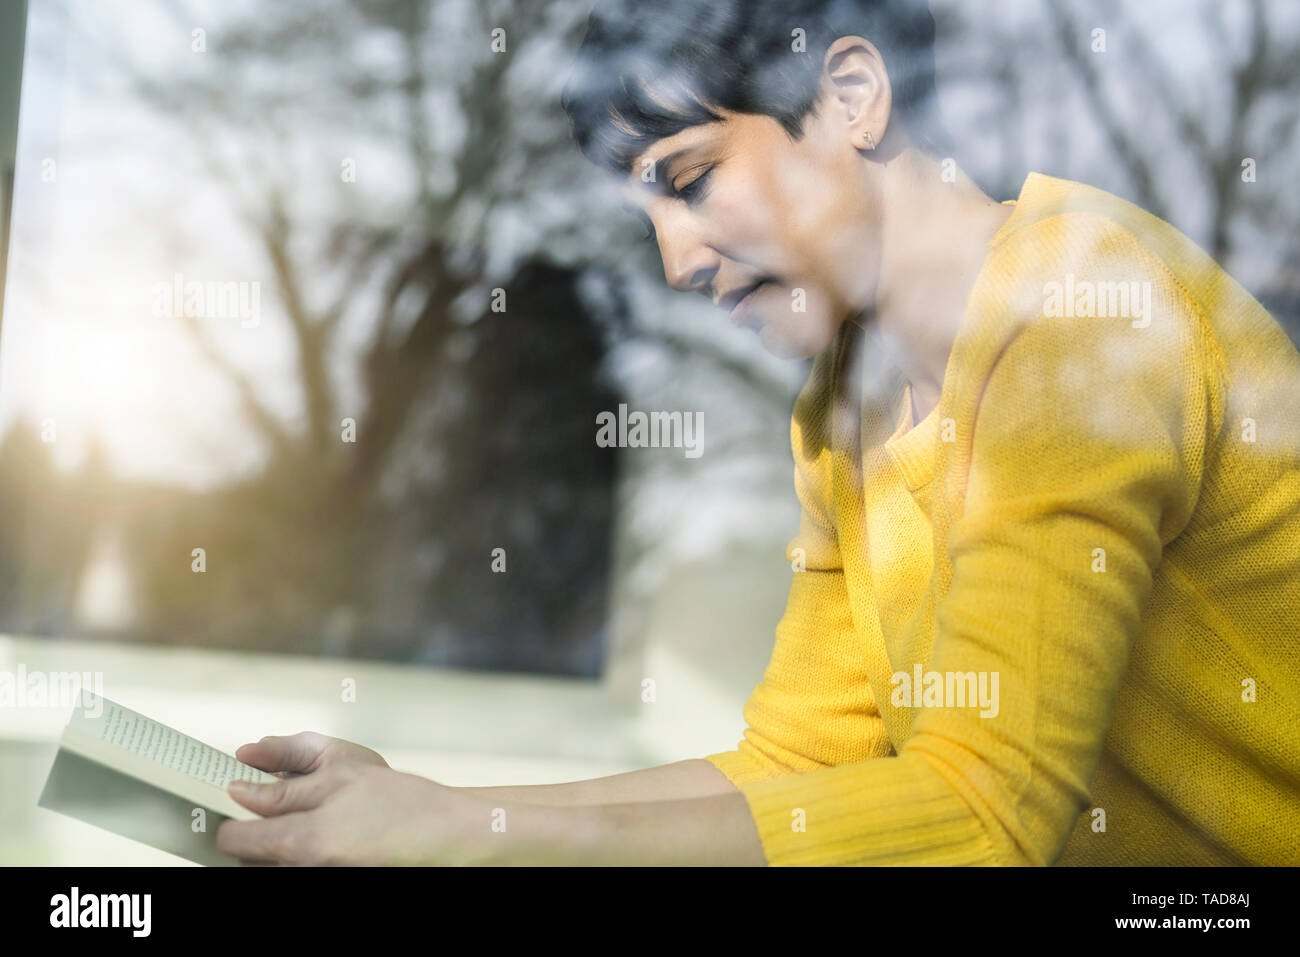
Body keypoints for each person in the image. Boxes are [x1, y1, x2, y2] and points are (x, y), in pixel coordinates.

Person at [217, 0, 1300, 865]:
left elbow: (983, 817)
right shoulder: (845, 411)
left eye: (689, 181)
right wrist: (429, 812)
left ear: (853, 94)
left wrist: (457, 844)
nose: (676, 263)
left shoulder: (1076, 311)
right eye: (649, 215)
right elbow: (799, 763)